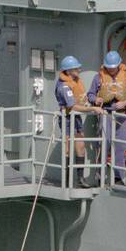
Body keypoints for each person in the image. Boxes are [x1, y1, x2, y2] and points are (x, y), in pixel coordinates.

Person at [87, 50, 126, 185]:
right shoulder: (98, 77)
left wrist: (124, 102)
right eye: (108, 67)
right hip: (105, 114)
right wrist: (96, 99)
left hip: (121, 116)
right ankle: (100, 176)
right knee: (104, 143)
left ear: (118, 65)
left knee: (120, 146)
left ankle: (118, 177)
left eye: (113, 67)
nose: (111, 70)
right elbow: (90, 95)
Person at [55, 55, 97, 185]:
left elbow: (80, 101)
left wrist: (91, 104)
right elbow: (71, 106)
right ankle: (66, 180)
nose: (79, 70)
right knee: (67, 148)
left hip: (76, 117)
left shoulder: (76, 81)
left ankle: (80, 179)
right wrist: (93, 109)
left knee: (80, 146)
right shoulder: (64, 86)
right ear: (68, 71)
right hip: (67, 118)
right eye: (76, 68)